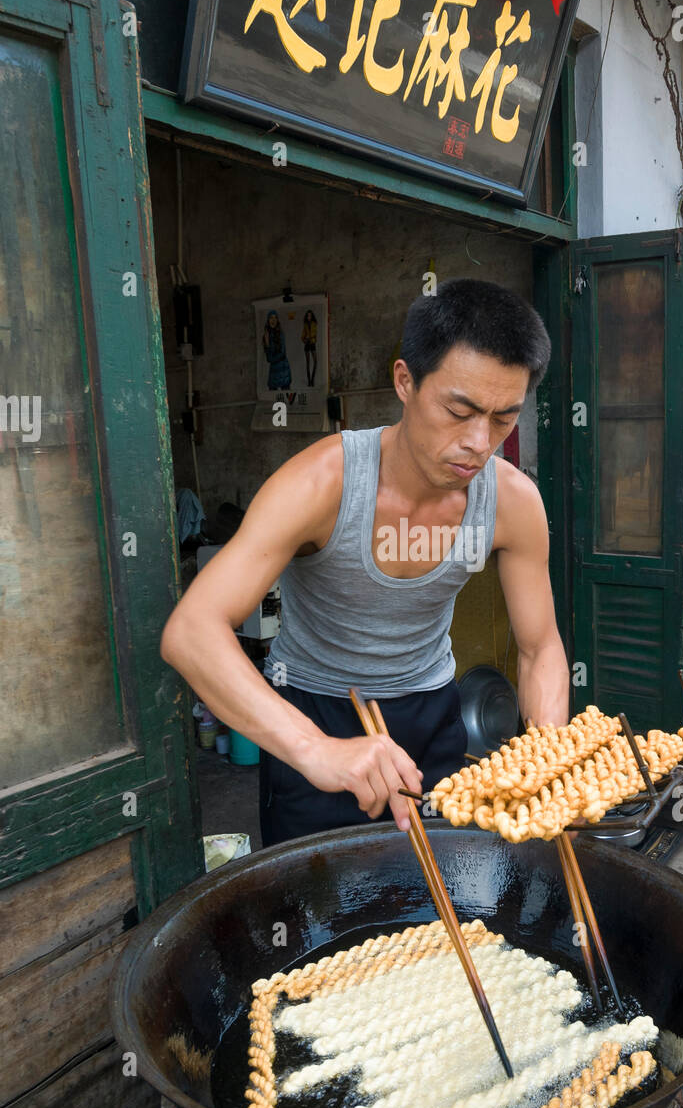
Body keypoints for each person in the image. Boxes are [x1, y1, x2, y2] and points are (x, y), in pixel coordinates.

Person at [160, 278, 570, 844]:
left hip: (431, 713)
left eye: (504, 418)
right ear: (405, 381)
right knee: (322, 916)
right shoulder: (322, 483)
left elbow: (540, 645)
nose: (480, 441)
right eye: (459, 410)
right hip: (316, 712)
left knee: (444, 910)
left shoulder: (513, 501)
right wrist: (314, 749)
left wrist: (548, 758)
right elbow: (191, 631)